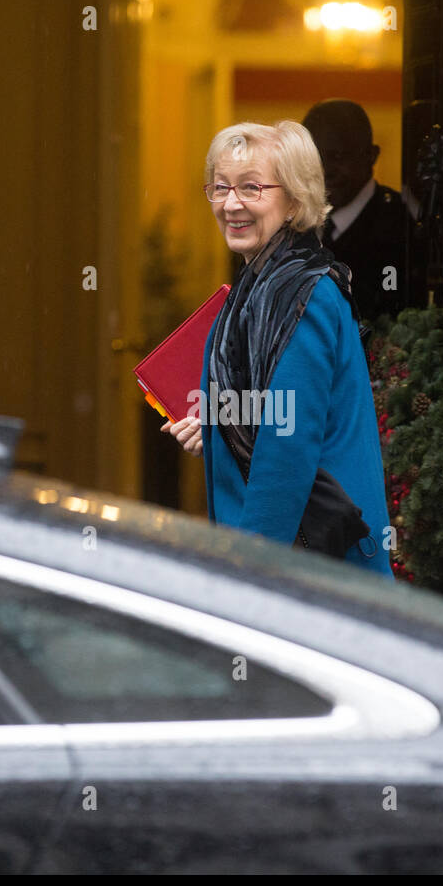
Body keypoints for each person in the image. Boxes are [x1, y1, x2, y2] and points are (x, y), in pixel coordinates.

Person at [161, 120, 393, 578]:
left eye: (252, 188)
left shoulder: (299, 293)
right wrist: (215, 427)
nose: (231, 203)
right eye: (220, 187)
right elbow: (272, 411)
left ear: (294, 199)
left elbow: (288, 443)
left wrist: (249, 575)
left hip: (311, 572)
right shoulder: (264, 284)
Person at [301, 99, 417, 322]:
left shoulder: (400, 224)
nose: (323, 171)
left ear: (371, 156)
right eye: (314, 159)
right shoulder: (293, 223)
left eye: (337, 157)